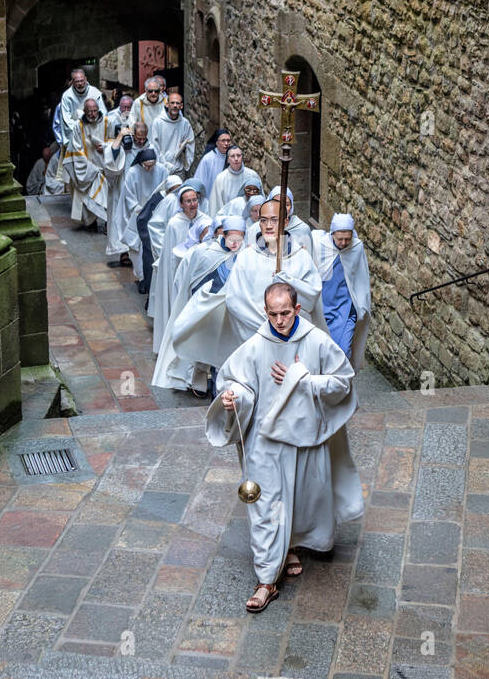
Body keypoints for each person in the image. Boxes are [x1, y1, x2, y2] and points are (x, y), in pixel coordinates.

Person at [206, 280, 363, 613]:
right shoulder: (254, 347)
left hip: (303, 439)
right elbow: (239, 383)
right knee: (265, 507)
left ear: (298, 309)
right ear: (265, 311)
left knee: (301, 499)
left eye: (285, 313)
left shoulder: (317, 341)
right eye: (273, 314)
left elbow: (342, 383)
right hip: (264, 442)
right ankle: (266, 581)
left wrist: (301, 378)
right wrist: (234, 398)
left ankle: (290, 544)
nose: (279, 321)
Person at [152, 216, 246, 393]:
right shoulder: (205, 252)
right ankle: (199, 377)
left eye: (240, 238)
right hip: (207, 310)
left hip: (230, 311)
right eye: (232, 238)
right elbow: (193, 280)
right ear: (223, 234)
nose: (235, 243)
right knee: (204, 346)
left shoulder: (245, 255)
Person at [226, 197, 324, 344]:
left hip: (293, 339)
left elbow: (312, 297)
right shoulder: (246, 258)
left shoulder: (301, 257)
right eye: (264, 220)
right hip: (257, 337)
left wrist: (289, 283)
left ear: (285, 222)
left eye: (274, 220)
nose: (269, 226)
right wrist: (268, 327)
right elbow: (234, 300)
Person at [148, 179, 210, 353]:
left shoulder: (206, 221)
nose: (193, 204)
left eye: (195, 200)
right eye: (188, 201)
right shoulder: (174, 224)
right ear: (181, 204)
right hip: (177, 274)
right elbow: (169, 256)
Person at [311, 213, 372, 372]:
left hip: (345, 308)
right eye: (340, 239)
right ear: (332, 234)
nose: (344, 243)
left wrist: (362, 304)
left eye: (347, 238)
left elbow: (361, 277)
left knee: (343, 350)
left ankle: (343, 386)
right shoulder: (319, 245)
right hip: (322, 307)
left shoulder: (356, 247)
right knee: (321, 351)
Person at [60, 97, 114, 228]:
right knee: (86, 196)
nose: (92, 114)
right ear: (84, 111)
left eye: (95, 111)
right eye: (89, 111)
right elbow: (75, 149)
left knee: (107, 196)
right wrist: (89, 168)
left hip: (104, 166)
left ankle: (108, 223)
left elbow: (114, 141)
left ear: (98, 110)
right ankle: (91, 222)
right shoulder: (79, 126)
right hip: (87, 168)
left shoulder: (108, 122)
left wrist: (106, 147)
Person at [120, 148, 168, 275]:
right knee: (138, 248)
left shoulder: (162, 170)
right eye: (146, 166)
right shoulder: (132, 172)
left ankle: (151, 277)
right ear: (141, 163)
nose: (149, 169)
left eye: (152, 166)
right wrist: (139, 209)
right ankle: (141, 276)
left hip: (156, 213)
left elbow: (164, 189)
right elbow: (128, 194)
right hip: (138, 213)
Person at [102, 108, 140, 266]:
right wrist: (119, 138)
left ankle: (135, 250)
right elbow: (111, 164)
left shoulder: (142, 145)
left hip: (137, 191)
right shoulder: (115, 145)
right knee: (120, 221)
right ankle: (124, 252)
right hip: (120, 190)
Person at [136, 173, 182, 296]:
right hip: (155, 241)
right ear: (167, 190)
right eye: (174, 190)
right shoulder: (157, 199)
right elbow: (144, 220)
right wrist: (153, 242)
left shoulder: (180, 200)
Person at [254, 185, 313, 256]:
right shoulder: (257, 229)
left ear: (291, 207)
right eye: (277, 203)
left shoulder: (303, 229)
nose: (282, 208)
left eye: (287, 204)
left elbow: (309, 259)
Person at [208, 145, 262, 215]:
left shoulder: (252, 175)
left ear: (242, 157)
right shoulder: (221, 179)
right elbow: (215, 206)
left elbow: (260, 198)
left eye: (238, 155)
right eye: (232, 156)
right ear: (228, 159)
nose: (236, 159)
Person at [151, 89, 195, 177]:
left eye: (177, 103)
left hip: (178, 169)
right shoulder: (158, 122)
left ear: (181, 106)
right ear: (167, 105)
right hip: (162, 168)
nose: (175, 105)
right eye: (172, 103)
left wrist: (184, 149)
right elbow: (155, 146)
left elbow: (190, 143)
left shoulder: (185, 123)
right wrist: (165, 164)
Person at [59, 67, 106, 146]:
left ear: (86, 79)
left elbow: (103, 113)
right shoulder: (67, 96)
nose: (80, 84)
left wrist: (93, 126)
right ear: (72, 82)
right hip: (75, 133)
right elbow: (66, 119)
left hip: (94, 131)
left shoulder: (95, 93)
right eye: (77, 81)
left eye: (82, 80)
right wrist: (82, 129)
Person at [195, 128, 231, 199]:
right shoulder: (208, 159)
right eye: (223, 141)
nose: (226, 144)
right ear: (216, 143)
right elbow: (199, 182)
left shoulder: (233, 157)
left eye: (228, 141)